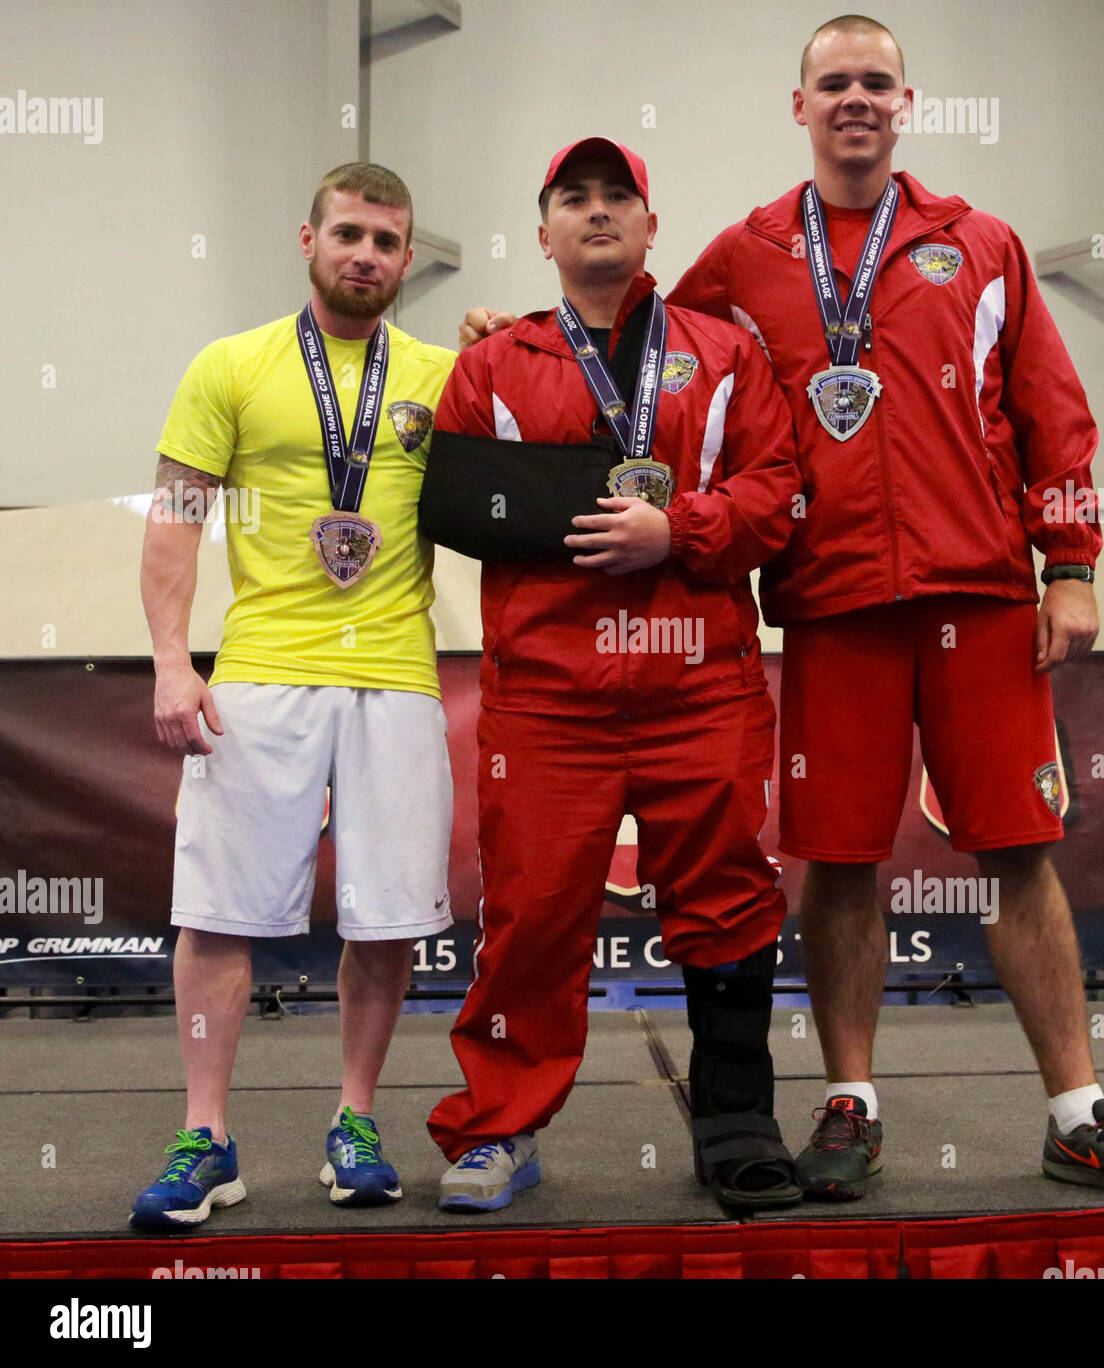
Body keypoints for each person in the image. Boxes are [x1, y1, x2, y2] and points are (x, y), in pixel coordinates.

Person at [460, 18, 1104, 1206]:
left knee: (1022, 850)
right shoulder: (745, 253)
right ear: (796, 105)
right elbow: (638, 331)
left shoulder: (983, 244)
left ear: (904, 101)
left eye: (873, 82)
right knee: (841, 863)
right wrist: (510, 334)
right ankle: (849, 1105)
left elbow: (1051, 410)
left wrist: (1068, 562)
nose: (853, 99)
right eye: (832, 83)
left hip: (975, 593)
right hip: (831, 602)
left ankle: (1077, 1111)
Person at [423, 138, 804, 1214]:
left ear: (650, 226)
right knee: (531, 916)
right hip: (548, 696)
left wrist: (673, 529)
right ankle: (498, 1130)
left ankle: (736, 1124)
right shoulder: (492, 365)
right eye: (572, 199)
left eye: (617, 197)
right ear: (543, 232)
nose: (597, 213)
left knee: (730, 904)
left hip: (699, 686)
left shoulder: (724, 353)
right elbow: (454, 506)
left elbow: (778, 496)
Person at [134, 163, 456, 1229]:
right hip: (260, 673)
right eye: (350, 234)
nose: (367, 254)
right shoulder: (229, 366)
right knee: (218, 915)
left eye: (387, 241)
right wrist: (173, 663)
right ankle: (205, 1135)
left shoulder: (448, 375)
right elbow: (176, 519)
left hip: (397, 679)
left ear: (409, 261)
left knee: (388, 916)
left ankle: (355, 1120)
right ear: (308, 238)